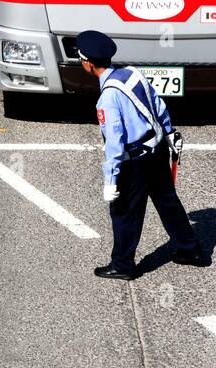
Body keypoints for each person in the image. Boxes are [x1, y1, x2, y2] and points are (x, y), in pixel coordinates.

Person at [77, 29, 208, 280]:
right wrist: (169, 134)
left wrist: (111, 180)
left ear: (89, 64)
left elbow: (114, 143)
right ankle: (190, 250)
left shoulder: (107, 98)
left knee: (125, 211)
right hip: (156, 150)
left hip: (134, 161)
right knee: (168, 202)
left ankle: (123, 265)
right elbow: (158, 105)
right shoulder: (133, 73)